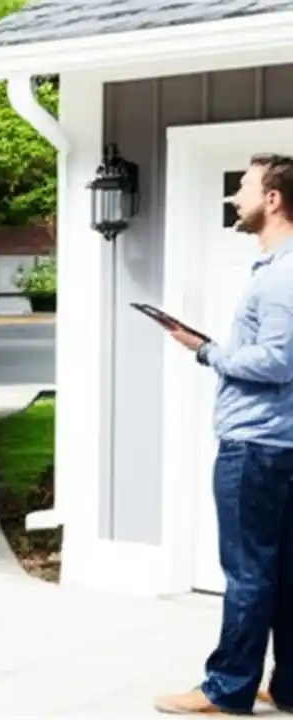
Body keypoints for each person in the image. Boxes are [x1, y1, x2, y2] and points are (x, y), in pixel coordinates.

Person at [155, 153, 293, 715]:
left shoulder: (282, 273)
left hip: (256, 447)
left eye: (244, 188)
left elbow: (279, 360)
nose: (235, 198)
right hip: (278, 444)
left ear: (274, 199)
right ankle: (287, 687)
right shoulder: (279, 269)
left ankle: (225, 688)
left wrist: (207, 350)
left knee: (248, 572)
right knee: (281, 569)